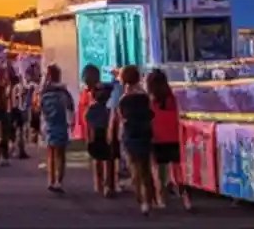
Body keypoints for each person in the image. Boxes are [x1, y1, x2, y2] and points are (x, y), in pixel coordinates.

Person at [147, 68, 191, 211]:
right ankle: (185, 199)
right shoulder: (173, 99)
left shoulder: (150, 101)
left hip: (156, 138)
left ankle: (161, 200)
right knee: (178, 171)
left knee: (158, 172)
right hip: (174, 138)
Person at [115, 65, 156, 216]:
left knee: (134, 166)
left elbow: (121, 117)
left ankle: (140, 197)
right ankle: (148, 199)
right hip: (145, 132)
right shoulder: (145, 97)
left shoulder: (123, 99)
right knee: (145, 167)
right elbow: (152, 115)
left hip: (130, 134)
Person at [79, 64, 116, 197]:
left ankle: (98, 184)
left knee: (96, 157)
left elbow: (85, 114)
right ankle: (108, 185)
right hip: (106, 125)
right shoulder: (106, 88)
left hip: (94, 127)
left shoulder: (88, 92)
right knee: (108, 158)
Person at [39, 63, 74, 194]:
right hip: (61, 123)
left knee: (50, 153)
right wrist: (71, 122)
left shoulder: (44, 91)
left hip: (48, 123)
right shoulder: (64, 92)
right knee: (60, 154)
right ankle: (59, 181)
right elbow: (70, 107)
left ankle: (50, 179)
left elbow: (39, 108)